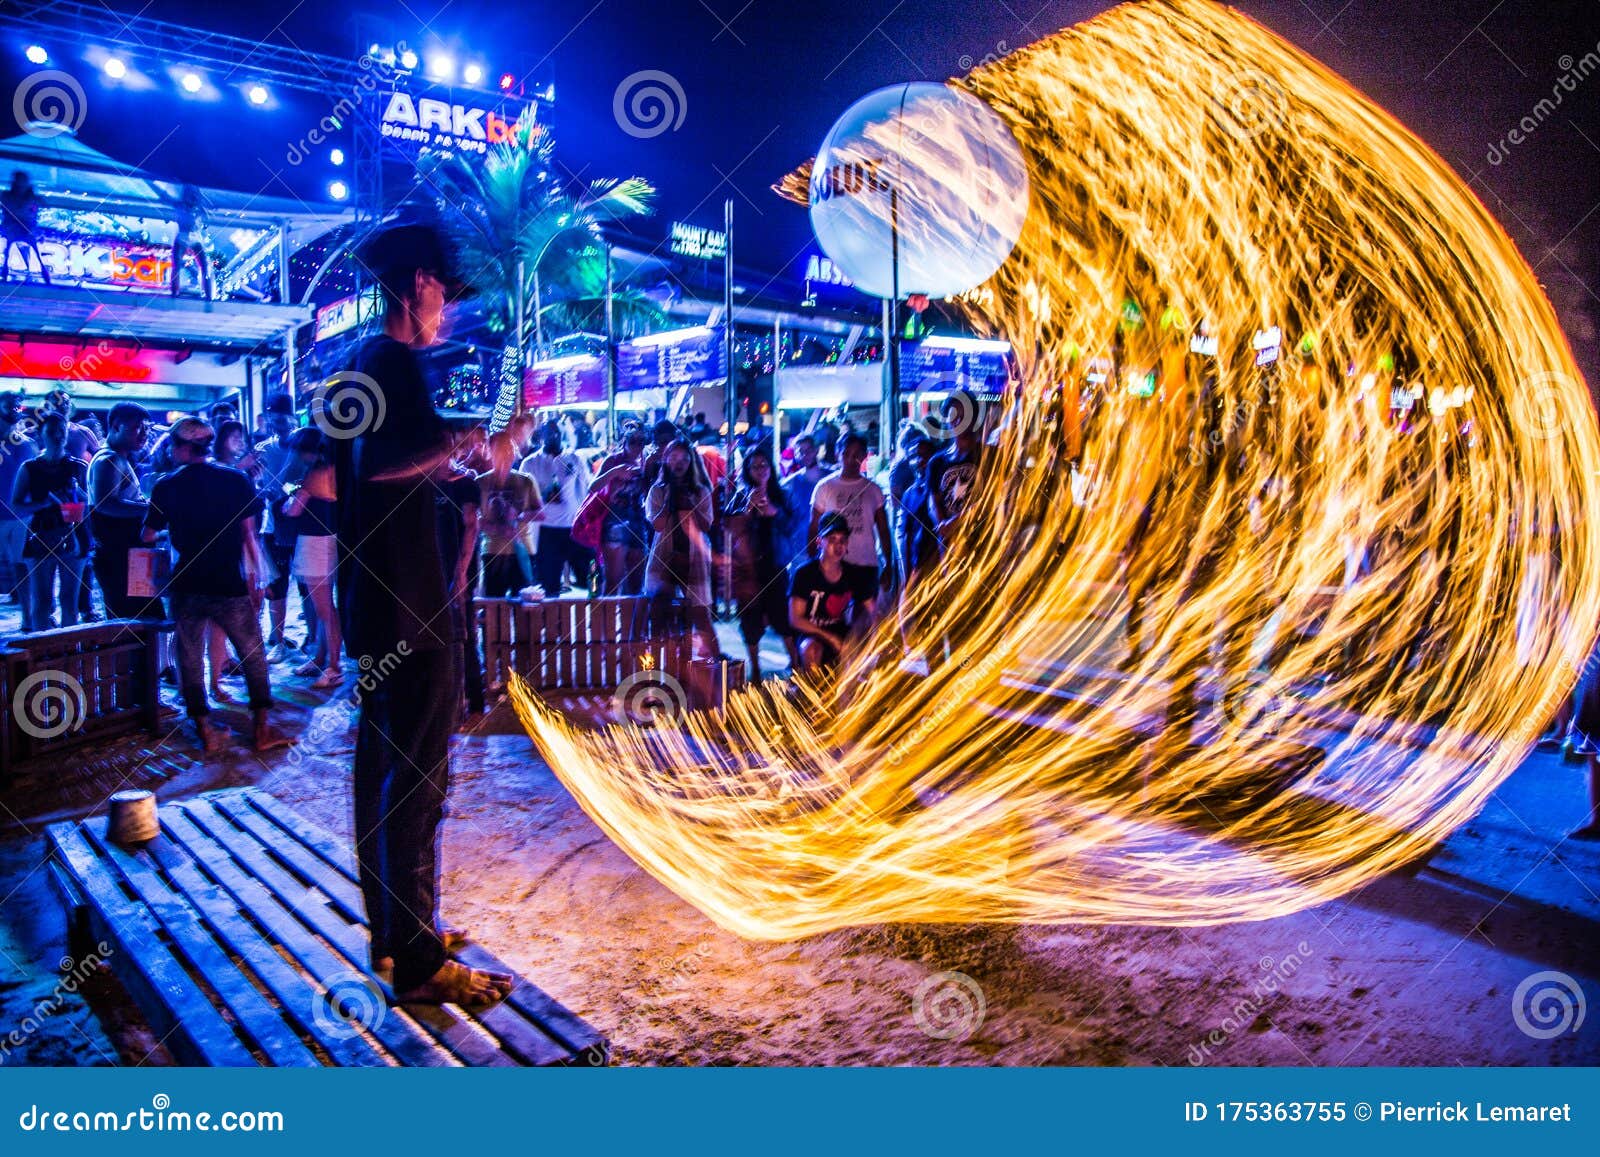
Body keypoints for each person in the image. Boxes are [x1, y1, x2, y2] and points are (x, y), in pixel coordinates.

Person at [334, 221, 512, 1007]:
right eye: (441, 286)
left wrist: (453, 458)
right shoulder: (390, 361)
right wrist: (473, 436)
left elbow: (392, 466)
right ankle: (415, 956)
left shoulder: (365, 366)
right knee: (417, 775)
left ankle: (398, 931)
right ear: (414, 286)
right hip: (407, 604)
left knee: (387, 768)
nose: (445, 303)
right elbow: (382, 464)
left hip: (386, 599)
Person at [142, 419, 287, 753]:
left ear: (180, 447)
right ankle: (262, 730)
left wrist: (173, 530)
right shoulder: (235, 479)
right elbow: (248, 535)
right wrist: (255, 580)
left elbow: (147, 536)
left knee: (190, 658)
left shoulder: (166, 486)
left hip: (186, 584)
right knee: (253, 654)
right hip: (229, 582)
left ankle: (205, 729)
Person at [10, 414, 88, 631]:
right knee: (42, 600)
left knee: (69, 601)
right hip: (41, 535)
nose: (57, 435)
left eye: (61, 430)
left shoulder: (77, 467)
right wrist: (43, 503)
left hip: (72, 535)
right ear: (41, 434)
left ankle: (70, 654)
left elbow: (90, 502)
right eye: (52, 430)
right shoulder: (30, 468)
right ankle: (42, 653)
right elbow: (16, 505)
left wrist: (75, 494)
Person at [725, 446, 798, 677]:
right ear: (747, 470)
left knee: (782, 617)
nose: (760, 470)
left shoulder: (781, 494)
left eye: (764, 465)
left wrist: (773, 511)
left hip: (775, 566)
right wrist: (747, 510)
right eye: (754, 466)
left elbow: (792, 527)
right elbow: (728, 527)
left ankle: (796, 663)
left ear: (771, 468)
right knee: (750, 620)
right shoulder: (740, 494)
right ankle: (755, 668)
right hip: (749, 569)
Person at [642, 437, 719, 658]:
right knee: (658, 611)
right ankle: (659, 665)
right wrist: (670, 499)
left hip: (694, 559)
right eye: (673, 458)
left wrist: (688, 502)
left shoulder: (701, 490)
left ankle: (715, 668)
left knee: (700, 615)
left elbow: (706, 525)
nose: (679, 463)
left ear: (690, 462)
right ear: (665, 460)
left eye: (684, 459)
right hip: (663, 557)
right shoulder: (657, 491)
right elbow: (657, 524)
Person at [283, 428, 343, 689]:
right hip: (331, 540)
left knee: (324, 608)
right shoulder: (335, 470)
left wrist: (289, 497)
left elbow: (293, 510)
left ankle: (333, 667)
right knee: (325, 606)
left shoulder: (313, 475)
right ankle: (321, 658)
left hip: (315, 544)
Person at [252, 394, 311, 661]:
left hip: (303, 524)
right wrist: (262, 491)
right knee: (276, 583)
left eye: (283, 419)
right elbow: (253, 484)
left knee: (307, 584)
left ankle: (312, 637)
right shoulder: (263, 448)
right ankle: (277, 638)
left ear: (292, 417)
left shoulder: (306, 444)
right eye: (274, 419)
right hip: (272, 525)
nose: (279, 425)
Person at [88, 402, 159, 619]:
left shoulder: (115, 457)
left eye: (147, 428)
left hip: (125, 555)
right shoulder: (110, 459)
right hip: (121, 557)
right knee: (137, 623)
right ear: (117, 426)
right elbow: (106, 504)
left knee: (139, 620)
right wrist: (152, 509)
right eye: (139, 427)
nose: (145, 434)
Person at [809, 432, 890, 612]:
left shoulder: (873, 490)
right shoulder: (825, 487)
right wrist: (812, 559)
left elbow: (884, 530)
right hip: (833, 564)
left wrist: (888, 563)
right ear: (838, 453)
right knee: (832, 616)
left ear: (864, 456)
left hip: (866, 564)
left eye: (857, 455)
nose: (851, 459)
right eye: (846, 453)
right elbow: (814, 526)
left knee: (864, 621)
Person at [789, 512, 878, 674]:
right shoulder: (805, 573)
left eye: (842, 540)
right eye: (832, 540)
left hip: (840, 631)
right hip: (811, 633)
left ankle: (848, 692)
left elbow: (873, 611)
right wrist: (829, 637)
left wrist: (875, 639)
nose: (838, 546)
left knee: (857, 645)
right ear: (819, 542)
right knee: (811, 648)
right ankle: (812, 692)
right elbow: (795, 619)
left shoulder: (853, 574)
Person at [437, 436, 484, 716]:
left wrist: (462, 571)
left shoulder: (465, 483)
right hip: (433, 572)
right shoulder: (427, 484)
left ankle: (473, 701)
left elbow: (471, 527)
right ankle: (447, 702)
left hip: (458, 571)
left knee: (464, 634)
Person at [520, 421, 591, 597]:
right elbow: (523, 498)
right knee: (548, 584)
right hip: (546, 530)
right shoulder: (530, 463)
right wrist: (542, 497)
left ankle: (598, 614)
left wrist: (585, 520)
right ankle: (554, 622)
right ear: (541, 436)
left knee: (591, 576)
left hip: (574, 527)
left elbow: (585, 490)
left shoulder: (574, 459)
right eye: (549, 433)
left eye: (557, 433)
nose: (554, 436)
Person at [477, 431, 541, 598]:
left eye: (508, 449)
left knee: (525, 607)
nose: (505, 454)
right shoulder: (481, 482)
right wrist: (497, 528)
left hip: (523, 551)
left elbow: (540, 513)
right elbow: (475, 521)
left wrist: (519, 516)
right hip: (492, 552)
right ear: (490, 452)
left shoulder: (526, 480)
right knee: (494, 606)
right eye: (499, 450)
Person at [590, 423, 651, 596]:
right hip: (615, 519)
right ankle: (605, 622)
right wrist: (614, 472)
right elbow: (593, 487)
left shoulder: (647, 461)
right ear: (625, 441)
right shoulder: (613, 460)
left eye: (641, 441)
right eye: (633, 441)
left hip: (638, 521)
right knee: (613, 581)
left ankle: (630, 623)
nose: (637, 446)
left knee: (636, 584)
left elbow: (650, 494)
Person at [925, 398, 984, 557]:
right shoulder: (937, 462)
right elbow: (933, 500)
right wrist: (942, 524)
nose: (960, 422)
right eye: (955, 417)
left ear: (974, 419)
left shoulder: (989, 455)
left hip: (983, 544)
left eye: (965, 417)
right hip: (950, 548)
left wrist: (957, 522)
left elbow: (994, 497)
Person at [0, 398, 35, 625]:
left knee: (22, 566)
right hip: (16, 516)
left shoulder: (26, 444)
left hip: (20, 517)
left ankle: (28, 618)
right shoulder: (25, 444)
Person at [781, 433, 827, 568]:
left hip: (828, 545)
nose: (805, 455)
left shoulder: (831, 479)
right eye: (800, 451)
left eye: (809, 450)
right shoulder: (789, 484)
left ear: (816, 450)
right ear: (795, 454)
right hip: (800, 549)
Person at [1, 171, 51, 285]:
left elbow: (44, 205)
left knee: (35, 254)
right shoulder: (8, 196)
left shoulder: (28, 197)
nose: (21, 185)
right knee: (8, 253)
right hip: (15, 226)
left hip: (24, 228)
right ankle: (4, 275)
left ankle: (46, 277)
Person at [170, 184, 212, 299]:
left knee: (204, 267)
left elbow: (207, 215)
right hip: (183, 237)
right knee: (176, 266)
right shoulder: (180, 206)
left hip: (194, 239)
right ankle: (174, 292)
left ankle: (208, 295)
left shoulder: (199, 208)